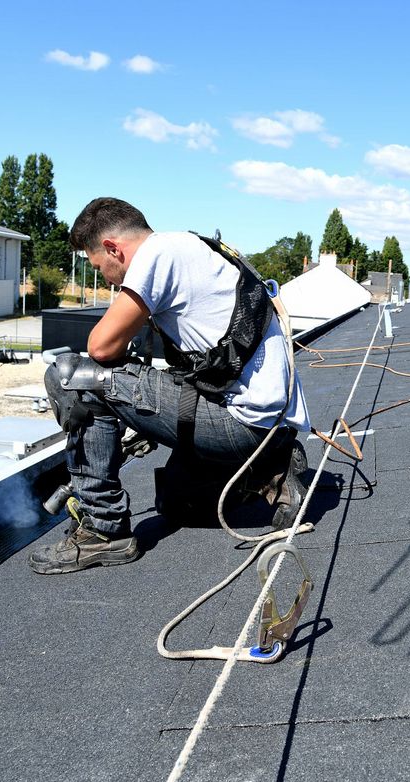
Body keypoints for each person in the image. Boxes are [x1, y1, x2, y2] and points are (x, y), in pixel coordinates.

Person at [30, 197, 311, 575]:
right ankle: (270, 471)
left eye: (101, 267)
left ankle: (101, 530)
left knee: (70, 376)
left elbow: (100, 346)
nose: (109, 282)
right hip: (271, 426)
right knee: (178, 503)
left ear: (114, 248)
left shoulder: (156, 256)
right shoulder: (190, 246)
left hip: (241, 426)